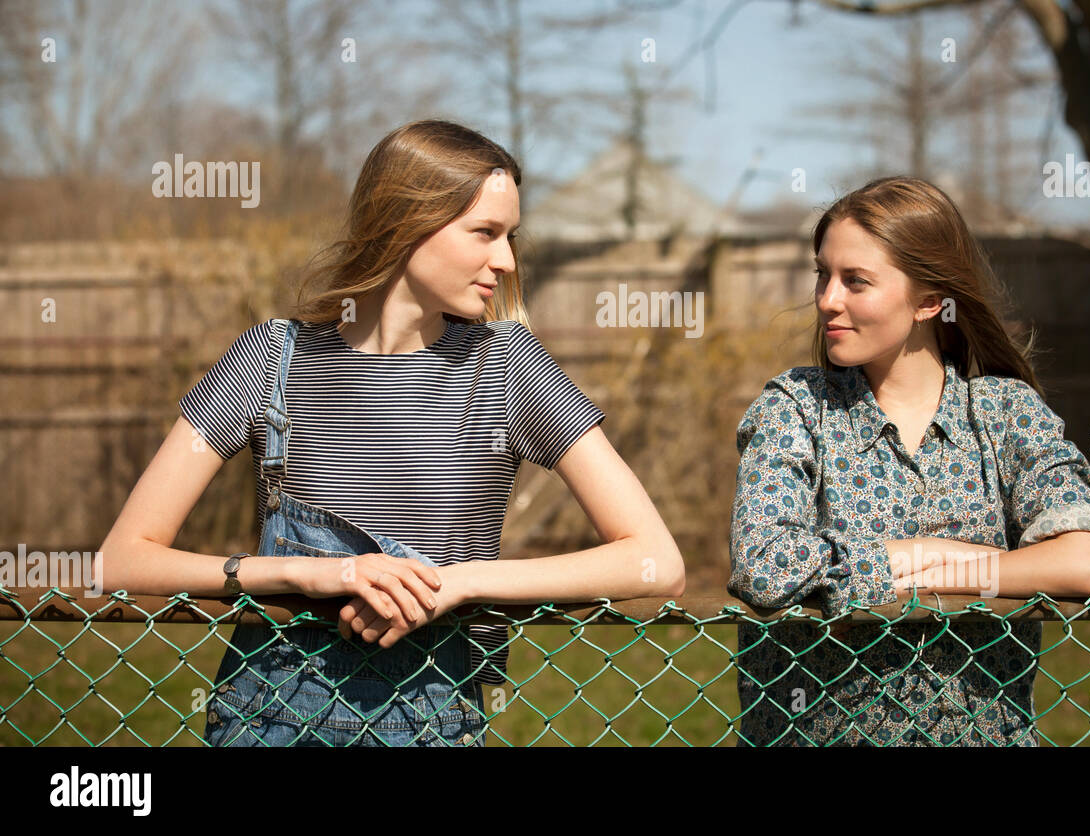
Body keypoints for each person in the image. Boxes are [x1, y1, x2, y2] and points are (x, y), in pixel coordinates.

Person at [98, 118, 685, 747]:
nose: (507, 260)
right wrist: (303, 575)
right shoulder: (273, 359)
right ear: (407, 224)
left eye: (510, 235)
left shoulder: (509, 370)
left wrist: (459, 583)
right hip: (263, 721)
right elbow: (121, 560)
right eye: (484, 233)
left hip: (430, 723)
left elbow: (655, 561)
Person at [727, 175, 1090, 747]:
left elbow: (1083, 562)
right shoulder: (795, 411)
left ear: (930, 301)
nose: (826, 299)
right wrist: (916, 556)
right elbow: (763, 564)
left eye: (855, 281)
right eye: (823, 275)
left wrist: (946, 567)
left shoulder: (1006, 414)